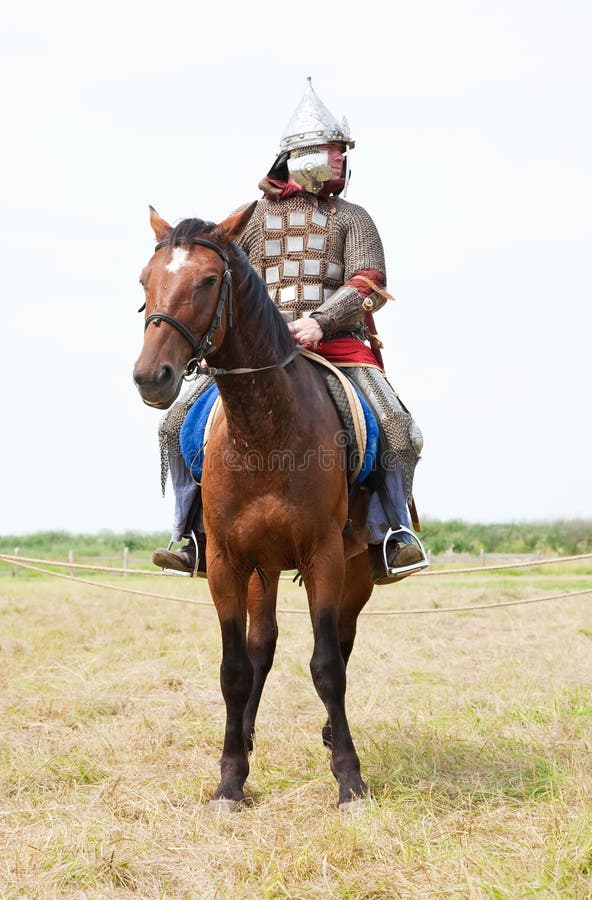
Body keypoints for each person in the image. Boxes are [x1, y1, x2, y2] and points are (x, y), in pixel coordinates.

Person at [152, 78, 428, 584]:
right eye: (332, 149)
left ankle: (393, 534)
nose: (341, 158)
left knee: (397, 429)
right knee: (174, 428)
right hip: (259, 354)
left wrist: (319, 322)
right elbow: (219, 279)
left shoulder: (352, 219)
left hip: (338, 347)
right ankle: (187, 536)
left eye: (342, 151)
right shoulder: (253, 220)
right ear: (299, 155)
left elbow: (368, 283)